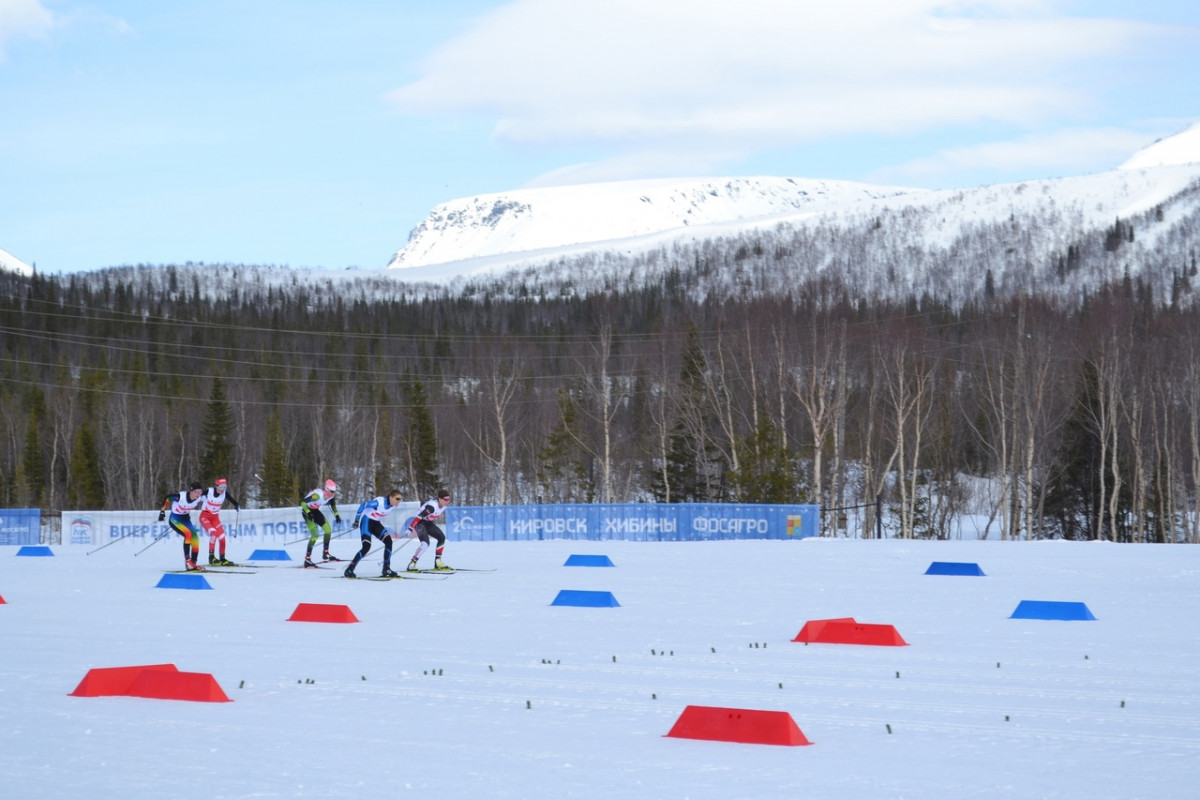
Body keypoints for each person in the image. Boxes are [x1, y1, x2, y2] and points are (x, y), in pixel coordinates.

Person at [344, 489, 403, 578]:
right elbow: (363, 505)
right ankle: (349, 569)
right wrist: (357, 520)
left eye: (400, 499)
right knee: (366, 547)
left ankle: (386, 568)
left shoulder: (392, 505)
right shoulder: (379, 503)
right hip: (366, 522)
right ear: (391, 497)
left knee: (388, 542)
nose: (399, 501)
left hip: (376, 524)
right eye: (397, 499)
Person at [158, 482, 206, 571]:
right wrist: (162, 511)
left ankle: (193, 563)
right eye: (196, 492)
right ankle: (188, 562)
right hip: (175, 519)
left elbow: (213, 494)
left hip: (185, 519)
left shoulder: (199, 498)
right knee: (188, 534)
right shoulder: (181, 497)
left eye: (200, 492)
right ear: (191, 491)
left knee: (195, 538)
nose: (198, 495)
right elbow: (167, 498)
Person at [405, 488, 452, 572]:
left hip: (428, 523)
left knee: (441, 537)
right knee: (425, 543)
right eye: (445, 499)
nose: (447, 501)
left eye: (449, 499)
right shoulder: (432, 507)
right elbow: (419, 516)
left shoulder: (443, 506)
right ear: (440, 499)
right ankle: (412, 564)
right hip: (419, 523)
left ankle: (438, 562)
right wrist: (410, 528)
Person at [300, 478, 342, 568]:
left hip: (315, 511)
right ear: (327, 489)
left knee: (328, 530)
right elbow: (303, 502)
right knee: (315, 535)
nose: (333, 493)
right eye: (332, 491)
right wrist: (308, 513)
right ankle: (307, 558)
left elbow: (333, 505)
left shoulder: (330, 496)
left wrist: (337, 515)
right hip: (306, 511)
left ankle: (326, 554)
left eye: (334, 491)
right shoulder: (318, 495)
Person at [200, 478, 242, 566]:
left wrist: (237, 505)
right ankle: (211, 557)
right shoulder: (209, 491)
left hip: (215, 518)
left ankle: (222, 558)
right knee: (214, 534)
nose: (223, 489)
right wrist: (202, 496)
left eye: (225, 487)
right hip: (205, 517)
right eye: (221, 487)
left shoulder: (224, 493)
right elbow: (199, 495)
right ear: (216, 486)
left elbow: (232, 500)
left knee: (222, 537)